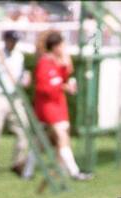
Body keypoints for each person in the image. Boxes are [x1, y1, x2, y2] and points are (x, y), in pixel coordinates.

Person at [34, 31, 92, 182]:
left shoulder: (58, 62)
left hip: (58, 105)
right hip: (48, 106)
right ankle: (74, 172)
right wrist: (62, 86)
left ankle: (27, 171)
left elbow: (66, 75)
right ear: (55, 47)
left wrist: (66, 63)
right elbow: (44, 86)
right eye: (61, 45)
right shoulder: (45, 63)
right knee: (61, 135)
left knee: (45, 140)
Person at [0, 30, 29, 174]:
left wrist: (25, 80)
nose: (14, 43)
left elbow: (20, 76)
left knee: (23, 129)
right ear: (6, 40)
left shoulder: (19, 56)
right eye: (12, 40)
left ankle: (17, 163)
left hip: (14, 97)